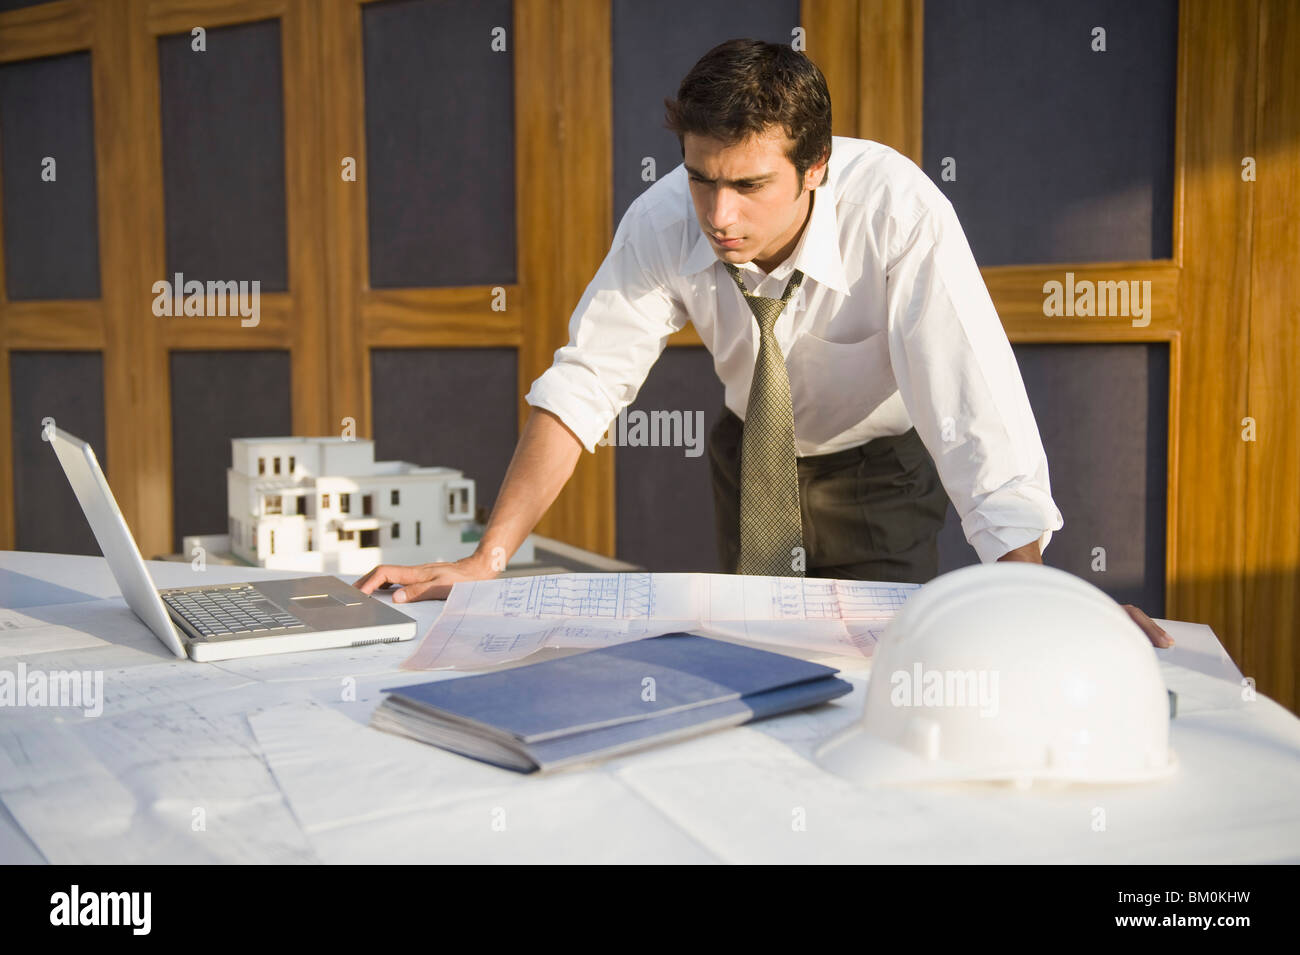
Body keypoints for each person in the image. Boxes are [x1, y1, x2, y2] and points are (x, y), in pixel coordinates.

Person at [356, 38, 1172, 648]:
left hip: (878, 475)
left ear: (815, 166)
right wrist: (489, 559)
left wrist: (1033, 598)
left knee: (875, 673)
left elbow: (972, 405)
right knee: (755, 660)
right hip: (751, 459)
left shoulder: (899, 212)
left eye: (749, 185)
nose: (719, 215)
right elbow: (583, 386)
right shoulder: (664, 220)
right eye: (702, 178)